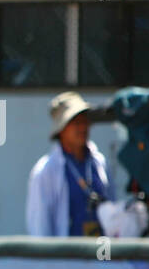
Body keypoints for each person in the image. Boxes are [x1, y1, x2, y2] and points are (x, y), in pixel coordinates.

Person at [26, 91, 112, 236]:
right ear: (61, 129)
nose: (83, 128)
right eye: (75, 122)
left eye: (85, 121)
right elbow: (39, 228)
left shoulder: (99, 162)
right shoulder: (45, 171)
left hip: (101, 254)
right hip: (69, 257)